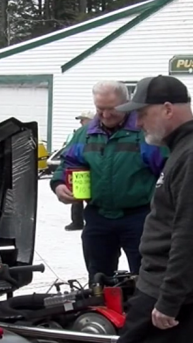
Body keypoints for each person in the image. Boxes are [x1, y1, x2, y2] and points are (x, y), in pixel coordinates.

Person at [110, 75, 193, 343]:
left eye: (142, 114)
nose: (138, 123)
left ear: (167, 109)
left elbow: (191, 236)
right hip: (175, 288)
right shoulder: (187, 150)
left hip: (177, 295)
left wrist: (169, 300)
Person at [56, 81, 165, 286]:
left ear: (127, 104)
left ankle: (141, 315)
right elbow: (69, 161)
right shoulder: (86, 133)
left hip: (140, 218)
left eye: (112, 109)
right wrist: (60, 184)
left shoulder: (144, 133)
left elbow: (169, 169)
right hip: (98, 218)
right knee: (98, 280)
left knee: (147, 278)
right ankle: (101, 316)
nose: (105, 115)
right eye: (100, 109)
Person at [51, 112, 90, 231]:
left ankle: (83, 221)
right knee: (76, 197)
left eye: (83, 120)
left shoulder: (90, 134)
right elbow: (68, 157)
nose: (80, 122)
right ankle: (77, 222)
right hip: (78, 172)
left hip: (90, 173)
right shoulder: (79, 134)